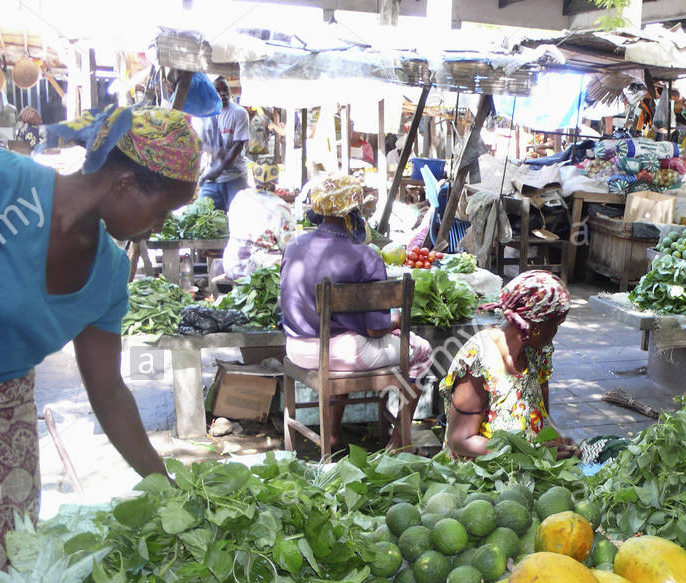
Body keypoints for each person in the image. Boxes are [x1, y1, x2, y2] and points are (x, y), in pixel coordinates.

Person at [0, 105, 201, 583]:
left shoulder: (108, 274)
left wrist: (164, 485)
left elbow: (108, 391)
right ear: (124, 183)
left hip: (4, 422)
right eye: (163, 210)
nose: (160, 225)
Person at [279, 171, 433, 453]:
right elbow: (375, 329)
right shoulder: (366, 256)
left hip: (296, 348)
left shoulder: (294, 245)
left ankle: (334, 436)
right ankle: (400, 438)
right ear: (354, 210)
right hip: (343, 355)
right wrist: (396, 320)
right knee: (422, 350)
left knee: (349, 336)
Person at [442, 270, 576, 460]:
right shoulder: (479, 359)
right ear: (536, 327)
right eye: (557, 324)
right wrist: (530, 452)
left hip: (528, 465)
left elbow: (542, 414)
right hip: (481, 474)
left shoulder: (537, 352)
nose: (556, 332)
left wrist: (558, 439)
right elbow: (460, 441)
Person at [221, 156, 293, 282]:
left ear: (253, 176)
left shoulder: (240, 196)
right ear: (276, 179)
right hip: (255, 271)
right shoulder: (280, 206)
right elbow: (288, 246)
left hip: (230, 264)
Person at [198, 76, 250, 210]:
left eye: (225, 89)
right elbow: (200, 143)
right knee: (202, 216)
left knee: (237, 219)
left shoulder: (239, 113)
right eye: (217, 90)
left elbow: (237, 147)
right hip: (212, 181)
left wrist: (217, 170)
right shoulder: (204, 114)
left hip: (235, 179)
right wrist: (215, 151)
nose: (223, 93)